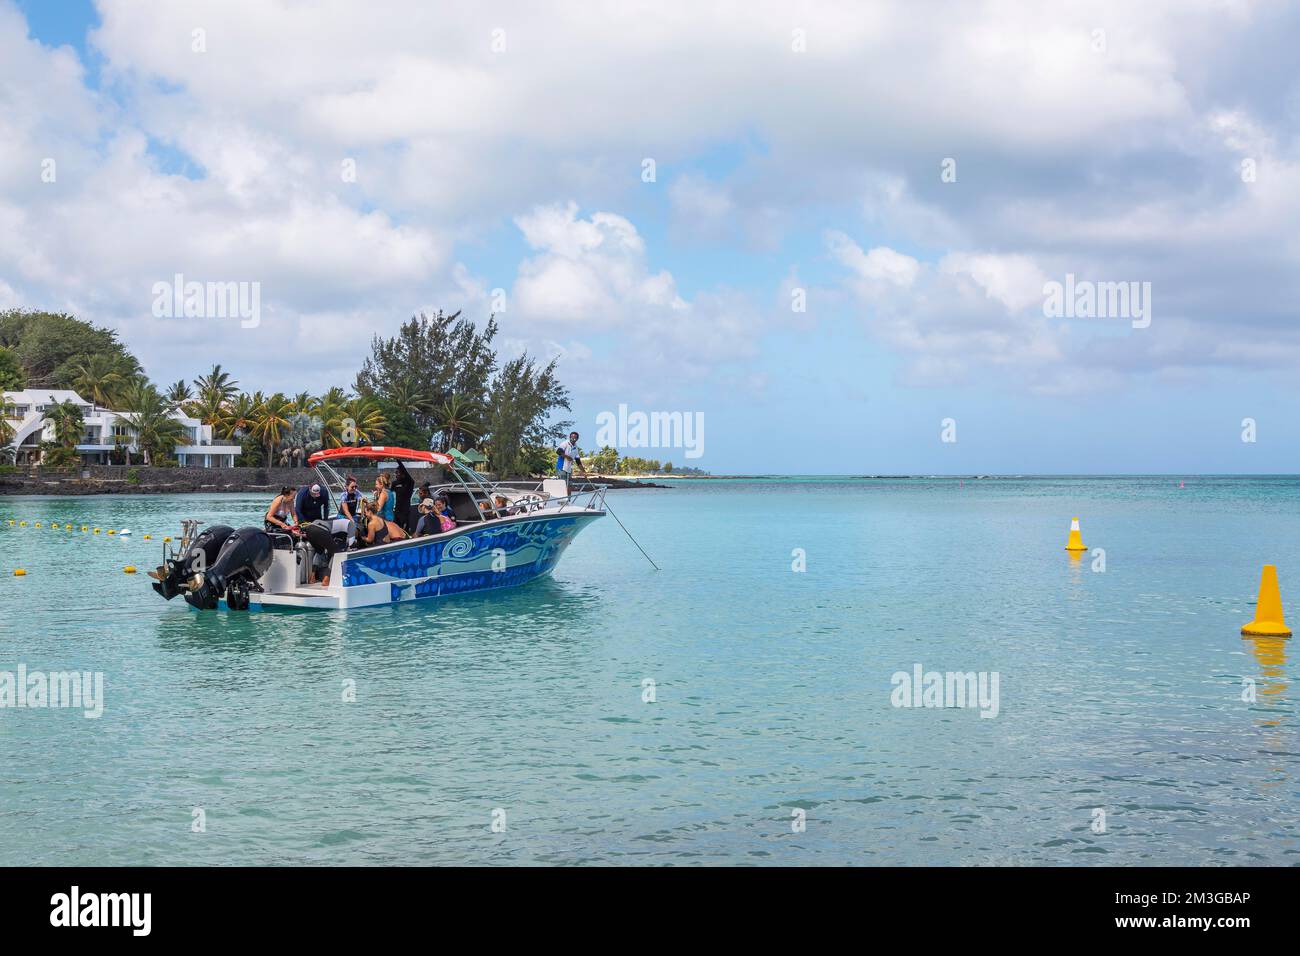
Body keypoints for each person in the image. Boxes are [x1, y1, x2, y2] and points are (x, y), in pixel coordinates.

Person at [391, 462, 415, 533]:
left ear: (403, 474)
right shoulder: (395, 483)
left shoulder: (410, 483)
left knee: (404, 531)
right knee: (396, 530)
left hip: (405, 511)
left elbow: (405, 471)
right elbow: (389, 493)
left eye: (397, 473)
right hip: (397, 510)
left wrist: (398, 460)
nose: (396, 475)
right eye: (395, 473)